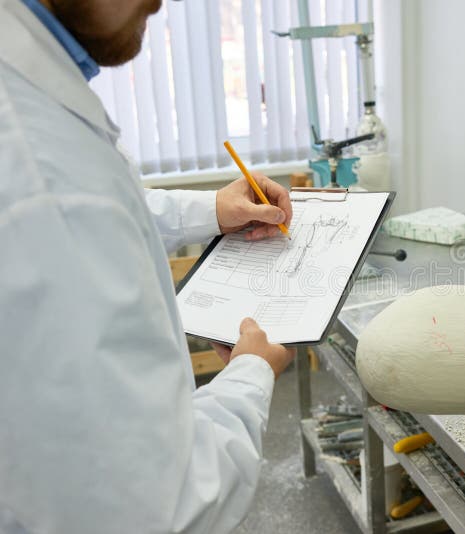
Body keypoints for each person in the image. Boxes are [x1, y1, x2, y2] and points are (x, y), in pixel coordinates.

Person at [0, 0, 297, 532]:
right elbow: (161, 505)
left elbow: (103, 204)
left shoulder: (35, 101)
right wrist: (251, 371)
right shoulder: (36, 165)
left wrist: (211, 209)